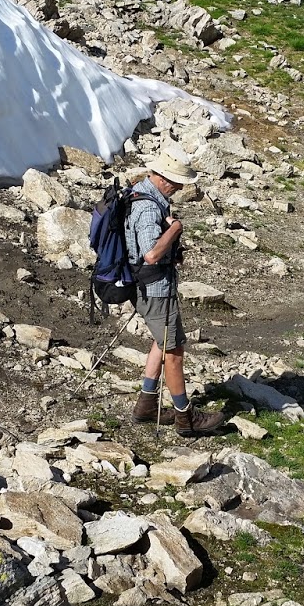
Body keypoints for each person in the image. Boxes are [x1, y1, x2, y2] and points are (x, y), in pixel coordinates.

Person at [125, 154, 226, 436]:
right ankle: (186, 417)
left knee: (163, 340)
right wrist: (175, 229)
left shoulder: (144, 196)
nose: (180, 188)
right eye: (177, 182)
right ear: (161, 177)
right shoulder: (147, 208)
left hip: (150, 286)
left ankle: (146, 406)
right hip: (155, 289)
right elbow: (152, 253)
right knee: (174, 350)